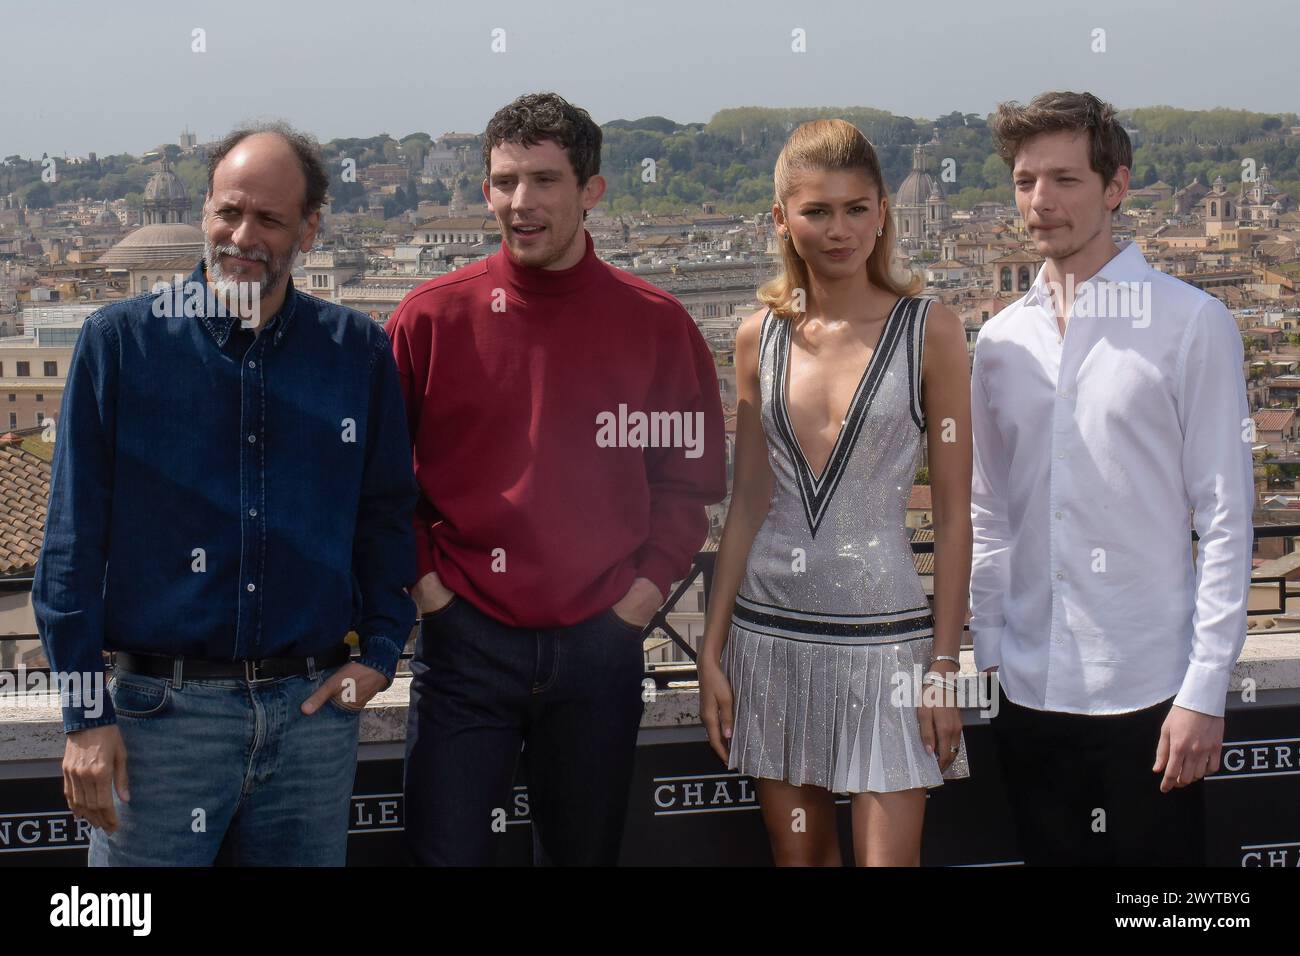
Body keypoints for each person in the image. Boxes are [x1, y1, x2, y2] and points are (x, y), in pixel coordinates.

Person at [32, 122, 419, 866]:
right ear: (204, 210)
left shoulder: (357, 352)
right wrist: (85, 714)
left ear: (310, 229)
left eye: (268, 220)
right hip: (157, 724)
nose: (242, 236)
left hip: (311, 719)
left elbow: (386, 514)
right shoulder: (120, 344)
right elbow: (71, 543)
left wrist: (379, 648)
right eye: (228, 211)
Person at [389, 91, 728, 866]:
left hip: (599, 645)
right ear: (484, 191)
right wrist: (431, 592)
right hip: (464, 642)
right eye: (504, 182)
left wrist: (634, 608)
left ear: (591, 190)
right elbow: (381, 486)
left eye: (544, 181)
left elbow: (687, 489)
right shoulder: (429, 318)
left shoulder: (657, 323)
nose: (521, 202)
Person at [970, 91, 1254, 866]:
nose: (1041, 202)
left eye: (1065, 180)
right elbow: (989, 508)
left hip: (1152, 693)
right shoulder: (998, 341)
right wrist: (989, 645)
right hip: (1026, 690)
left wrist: (1204, 689)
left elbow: (1226, 516)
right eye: (1026, 181)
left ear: (1116, 188)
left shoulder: (1192, 322)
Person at [697, 119, 972, 866]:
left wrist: (945, 669)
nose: (839, 229)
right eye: (817, 211)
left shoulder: (932, 330)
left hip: (888, 645)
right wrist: (712, 650)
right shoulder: (758, 335)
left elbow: (951, 516)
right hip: (770, 633)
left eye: (856, 208)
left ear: (883, 211)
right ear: (781, 219)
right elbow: (747, 500)